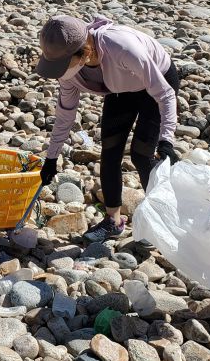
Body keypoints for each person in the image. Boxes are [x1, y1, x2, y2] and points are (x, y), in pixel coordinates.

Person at [35, 14, 181, 242]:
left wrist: (167, 140)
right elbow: (65, 116)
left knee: (142, 154)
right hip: (120, 88)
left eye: (61, 65)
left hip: (157, 81)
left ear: (85, 52)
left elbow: (164, 93)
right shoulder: (69, 74)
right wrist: (51, 159)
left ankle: (163, 222)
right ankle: (113, 221)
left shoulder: (123, 48)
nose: (59, 72)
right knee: (110, 149)